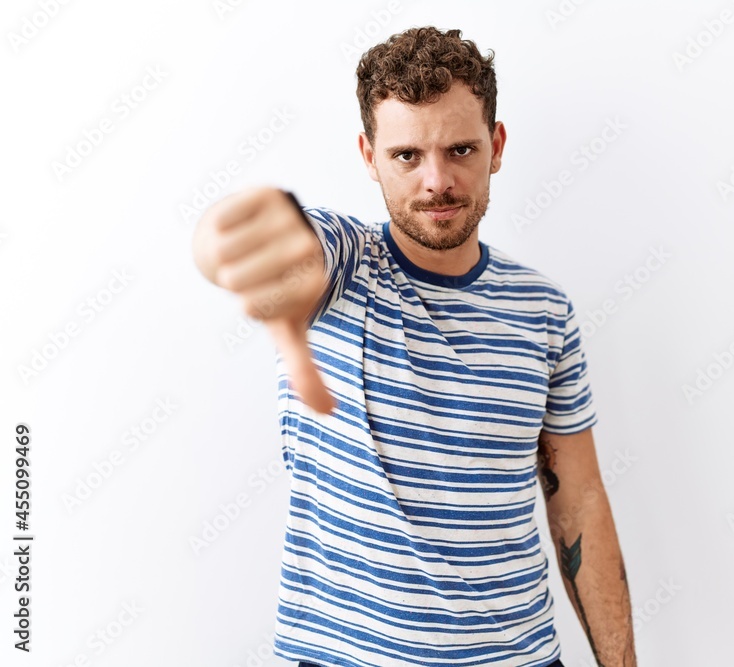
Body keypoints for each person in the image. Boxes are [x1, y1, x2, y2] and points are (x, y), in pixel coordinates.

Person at [192, 25, 636, 667]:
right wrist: (233, 240)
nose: (437, 181)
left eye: (460, 149)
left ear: (497, 145)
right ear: (368, 156)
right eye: (406, 156)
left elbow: (581, 500)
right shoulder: (343, 267)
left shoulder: (544, 309)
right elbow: (278, 243)